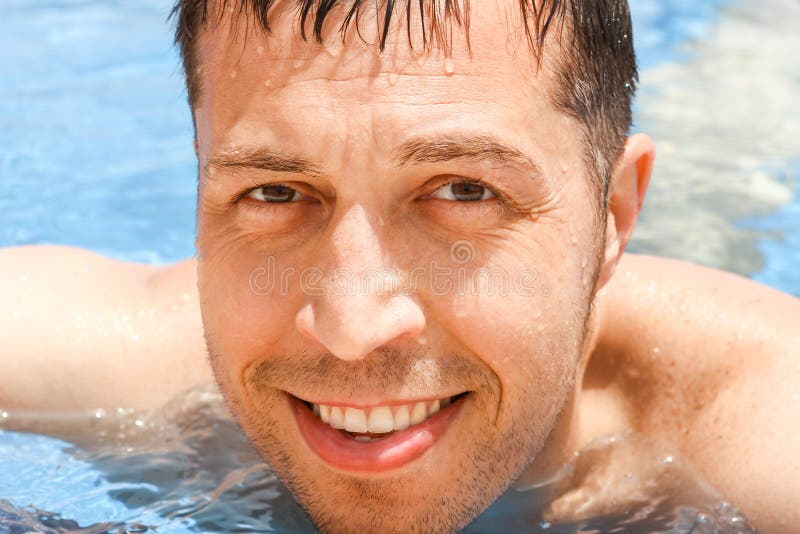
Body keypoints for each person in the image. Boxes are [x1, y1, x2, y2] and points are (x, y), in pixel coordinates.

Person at [1, 0, 798, 532]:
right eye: (276, 191)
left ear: (616, 215)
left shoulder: (758, 433)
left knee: (723, 158)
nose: (352, 331)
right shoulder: (122, 358)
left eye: (463, 190)